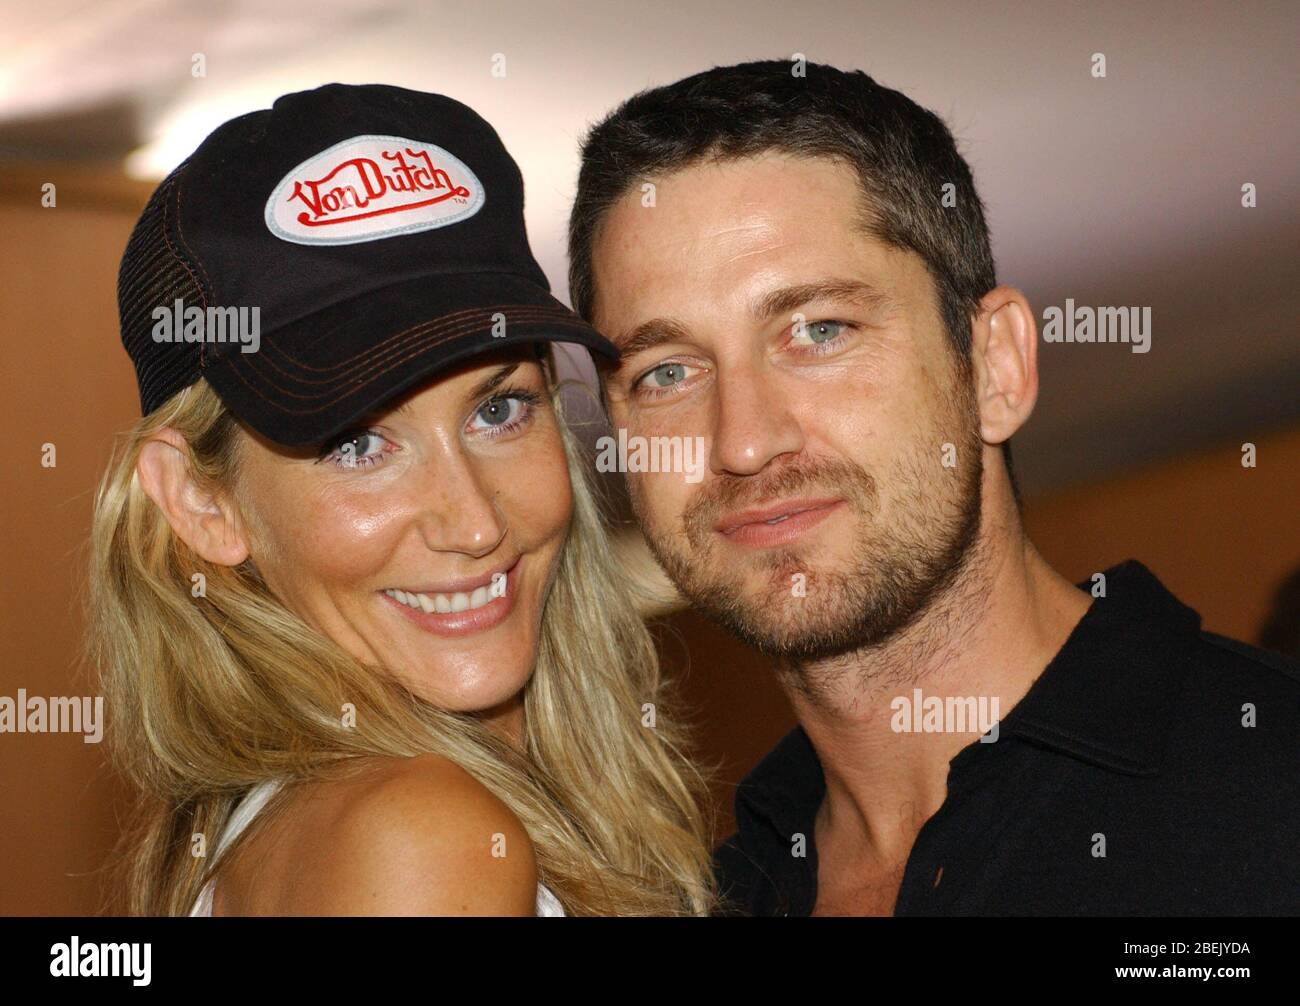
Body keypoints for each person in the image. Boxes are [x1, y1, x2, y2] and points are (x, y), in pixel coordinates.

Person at [570, 60, 1300, 915]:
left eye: (819, 330)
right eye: (666, 373)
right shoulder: (708, 897)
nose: (743, 441)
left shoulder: (1273, 792)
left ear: (995, 366)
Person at [90, 83, 714, 917]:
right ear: (202, 502)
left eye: (499, 410)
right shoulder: (419, 839)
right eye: (358, 444)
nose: (475, 522)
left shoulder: (312, 822)